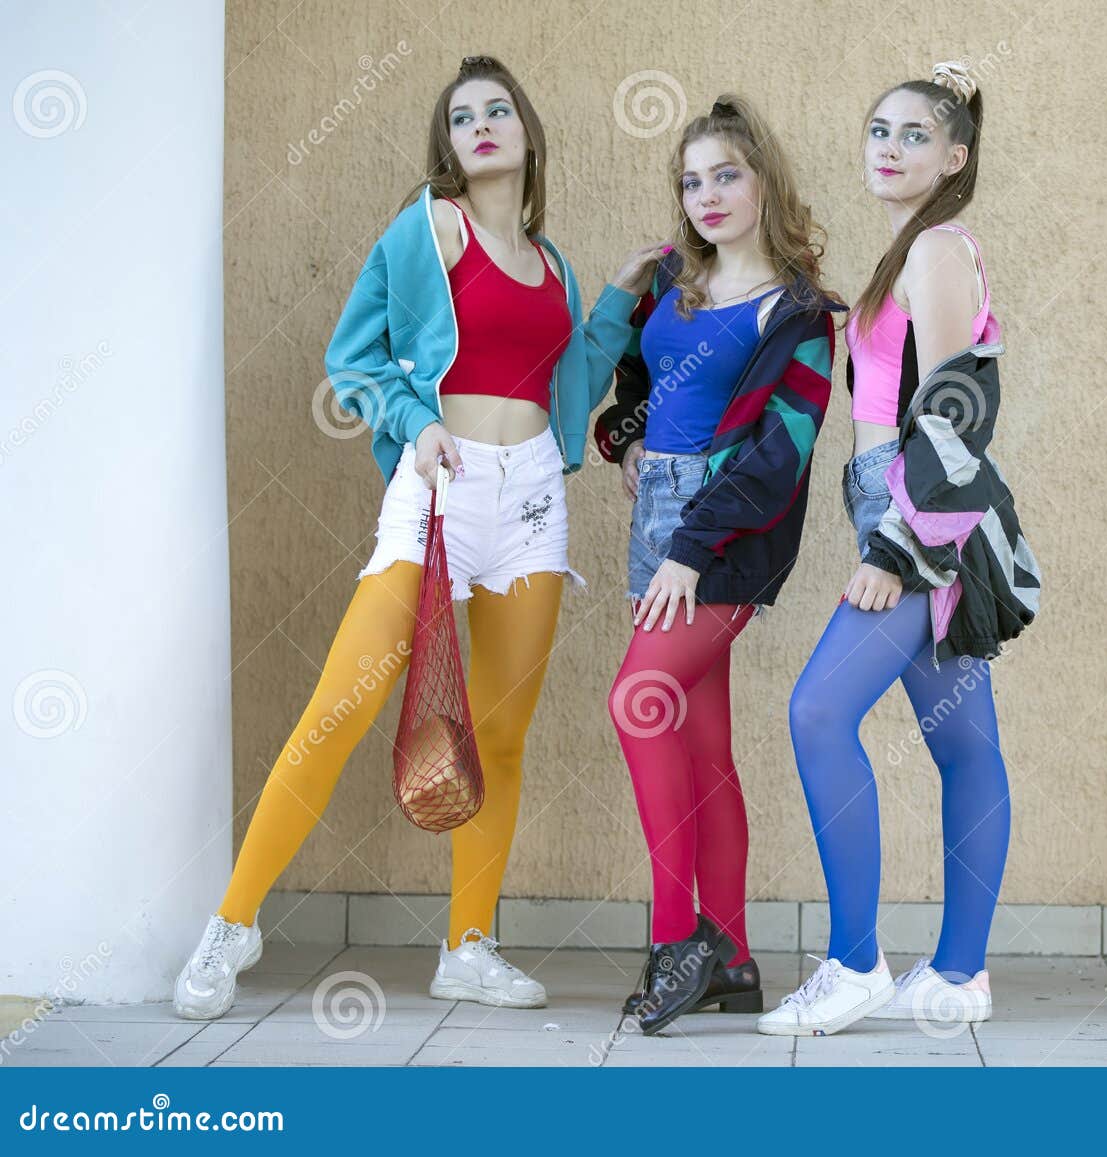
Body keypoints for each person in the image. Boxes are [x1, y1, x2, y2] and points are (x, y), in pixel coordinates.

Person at [173, 54, 664, 1020]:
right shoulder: (428, 230)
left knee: (499, 737)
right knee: (338, 709)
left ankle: (468, 947)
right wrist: (414, 422)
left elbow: (570, 380)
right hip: (439, 490)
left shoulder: (554, 266)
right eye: (462, 116)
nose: (480, 125)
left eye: (497, 110)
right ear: (448, 143)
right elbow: (354, 355)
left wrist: (613, 293)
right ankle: (231, 924)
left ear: (527, 133)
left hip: (530, 503)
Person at [759, 62, 1041, 1037]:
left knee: (817, 709)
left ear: (955, 157)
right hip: (904, 511)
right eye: (879, 129)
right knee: (964, 743)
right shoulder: (907, 253)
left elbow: (955, 414)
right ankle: (960, 973)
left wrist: (892, 548)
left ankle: (853, 963)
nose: (889, 146)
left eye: (915, 134)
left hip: (922, 524)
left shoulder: (937, 250)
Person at [592, 94, 845, 1036]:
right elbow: (641, 377)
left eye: (726, 175)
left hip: (725, 534)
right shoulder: (676, 280)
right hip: (655, 514)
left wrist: (692, 551)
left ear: (764, 182)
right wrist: (623, 439)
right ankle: (732, 955)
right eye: (692, 180)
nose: (706, 195)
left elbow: (781, 455)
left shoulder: (801, 315)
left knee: (637, 701)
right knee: (700, 747)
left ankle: (677, 941)